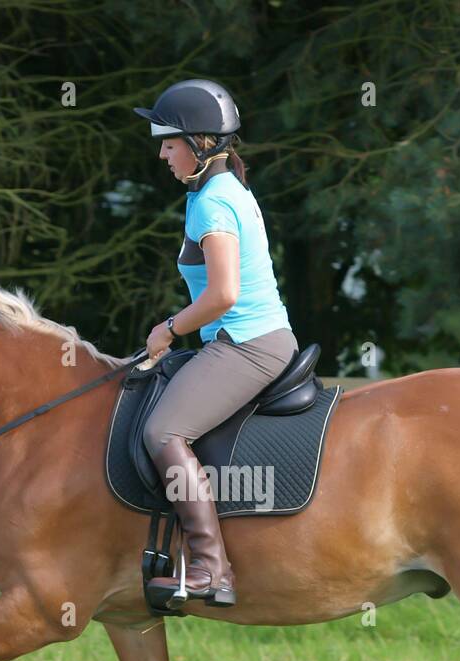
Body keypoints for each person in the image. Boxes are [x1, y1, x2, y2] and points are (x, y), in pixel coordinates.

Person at [133, 78, 300, 607]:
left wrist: (169, 328)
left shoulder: (212, 203)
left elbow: (224, 293)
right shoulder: (226, 191)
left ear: (200, 145)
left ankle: (209, 570)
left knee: (163, 430)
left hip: (246, 344)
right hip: (246, 339)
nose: (163, 153)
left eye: (169, 142)